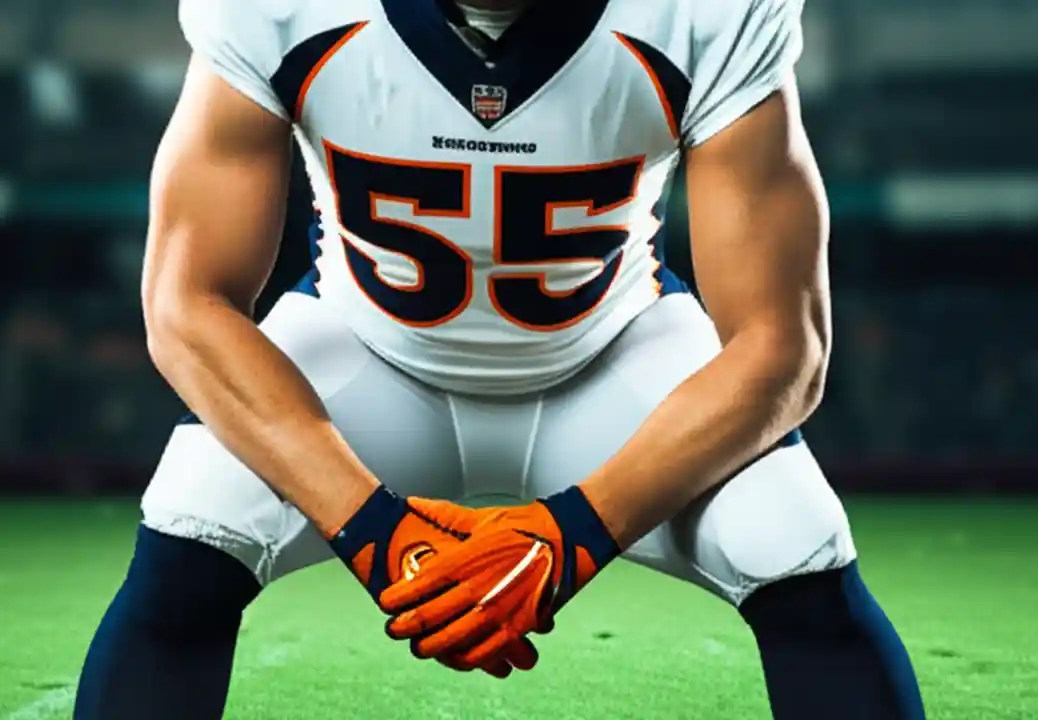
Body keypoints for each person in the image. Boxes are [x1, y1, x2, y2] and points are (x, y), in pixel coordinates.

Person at [75, 0, 925, 718]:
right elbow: (187, 306)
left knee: (795, 549)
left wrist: (575, 533)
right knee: (191, 539)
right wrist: (371, 529)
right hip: (367, 352)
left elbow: (785, 349)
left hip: (612, 351)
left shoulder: (700, 13)